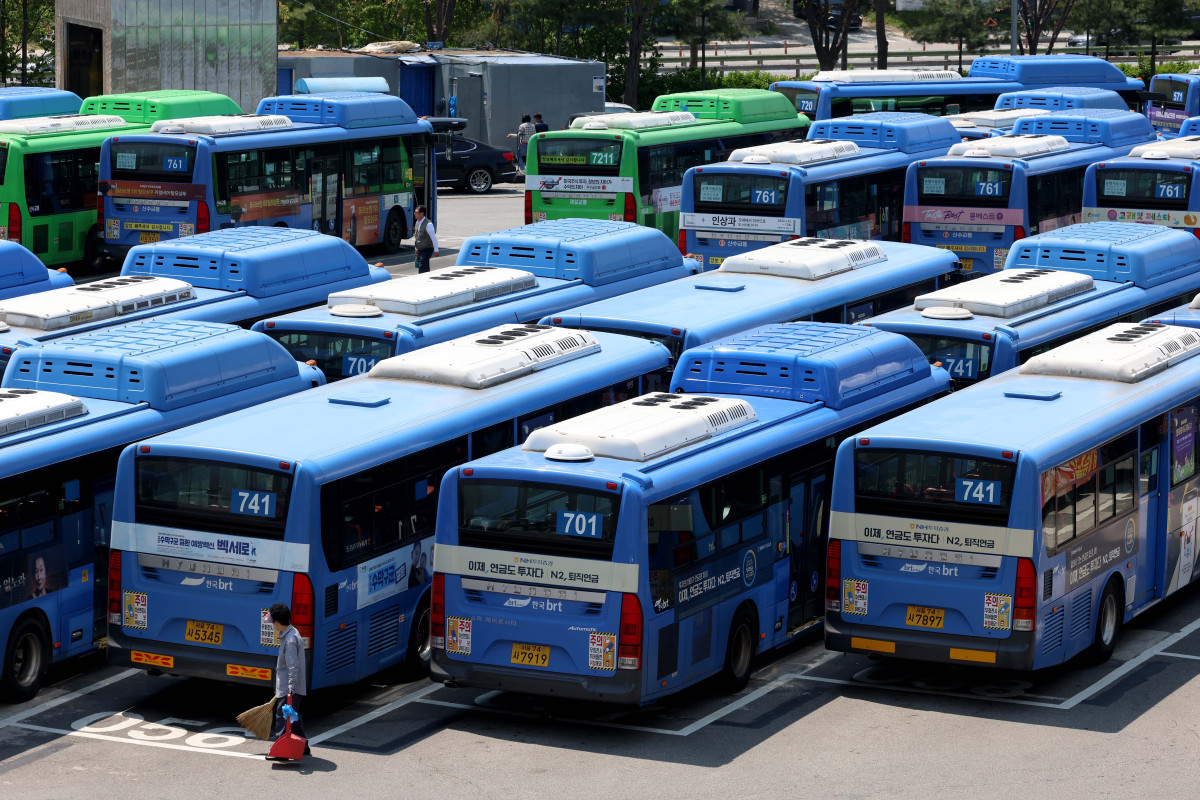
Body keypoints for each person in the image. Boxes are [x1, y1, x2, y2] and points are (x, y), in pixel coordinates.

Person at [269, 603, 310, 755]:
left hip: (289, 688)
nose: (272, 623)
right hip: (290, 687)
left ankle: (280, 749)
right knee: (293, 716)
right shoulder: (292, 632)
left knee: (282, 717)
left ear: (278, 623)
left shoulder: (290, 640)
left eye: (272, 621)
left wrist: (290, 690)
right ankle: (303, 746)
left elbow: (293, 667)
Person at [412, 205, 438, 275]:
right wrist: (416, 248)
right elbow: (417, 237)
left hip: (427, 248)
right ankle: (427, 277)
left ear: (422, 213)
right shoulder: (417, 222)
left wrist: (436, 250)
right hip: (420, 248)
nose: (414, 214)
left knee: (422, 264)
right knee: (424, 265)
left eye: (416, 212)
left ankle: (421, 278)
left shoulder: (428, 224)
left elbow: (433, 238)